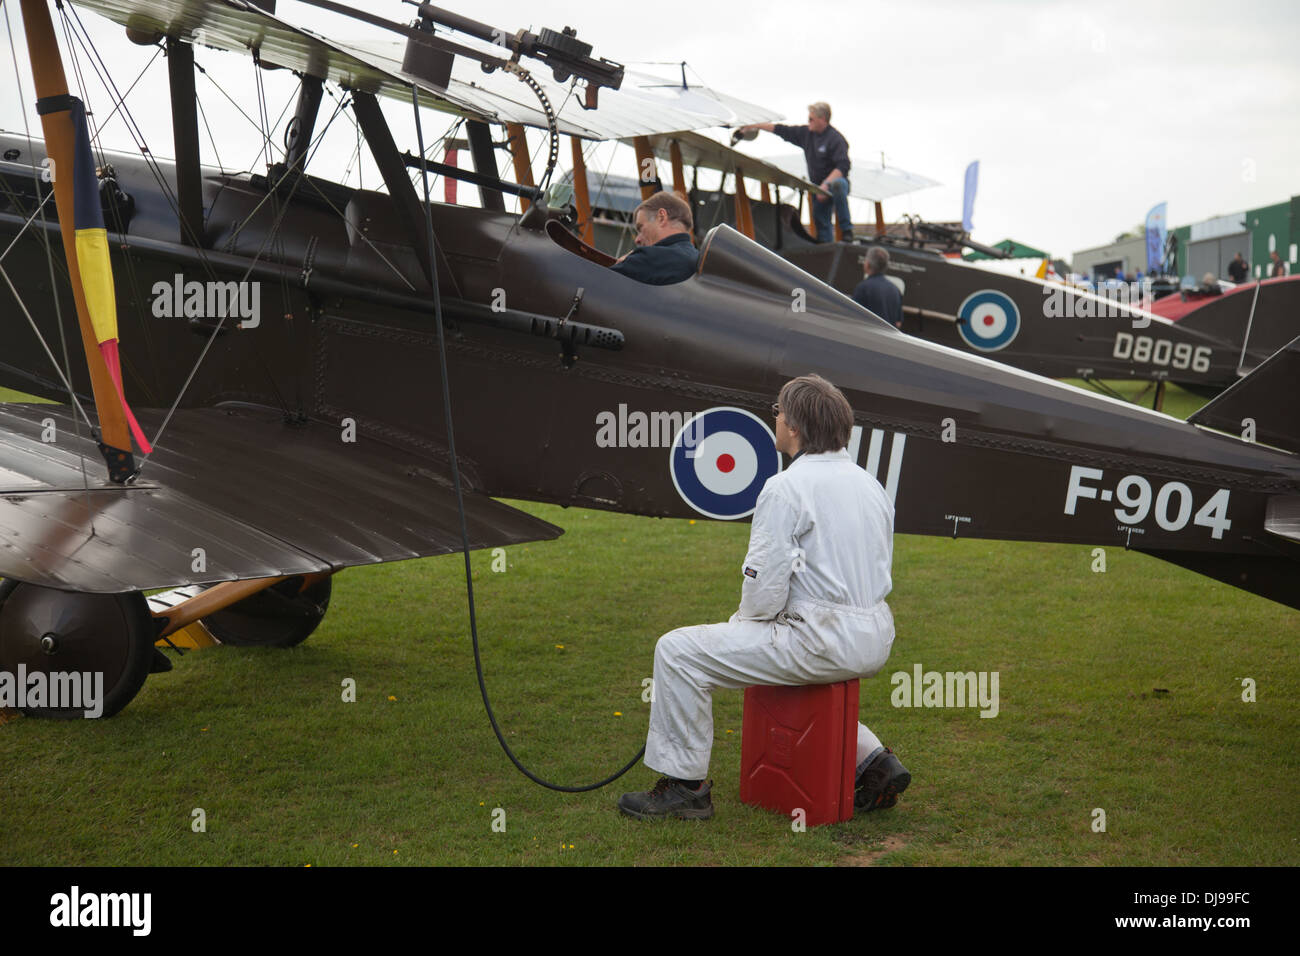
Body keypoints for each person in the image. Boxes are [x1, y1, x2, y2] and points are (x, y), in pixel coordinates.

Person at [619, 374, 909, 820]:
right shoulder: (871, 485)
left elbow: (764, 583)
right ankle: (871, 760)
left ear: (793, 426)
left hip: (817, 639)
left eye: (777, 411)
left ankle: (686, 789)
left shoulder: (785, 486)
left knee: (677, 651)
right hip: (873, 638)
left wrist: (746, 623)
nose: (774, 418)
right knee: (789, 668)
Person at [738, 102, 852, 243]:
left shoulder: (836, 139)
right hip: (817, 189)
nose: (808, 122)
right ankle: (827, 246)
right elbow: (781, 130)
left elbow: (843, 166)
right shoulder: (806, 134)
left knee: (839, 185)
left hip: (833, 184)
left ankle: (847, 231)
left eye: (811, 119)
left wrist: (826, 185)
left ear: (822, 119)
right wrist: (755, 125)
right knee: (821, 222)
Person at [610, 192, 699, 285]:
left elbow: (599, 287)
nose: (637, 239)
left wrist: (625, 264)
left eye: (640, 228)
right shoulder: (699, 262)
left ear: (661, 217)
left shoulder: (648, 258)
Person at [851, 247, 903, 328]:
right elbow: (898, 323)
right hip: (887, 339)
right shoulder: (895, 290)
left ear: (867, 264)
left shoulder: (863, 288)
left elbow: (853, 316)